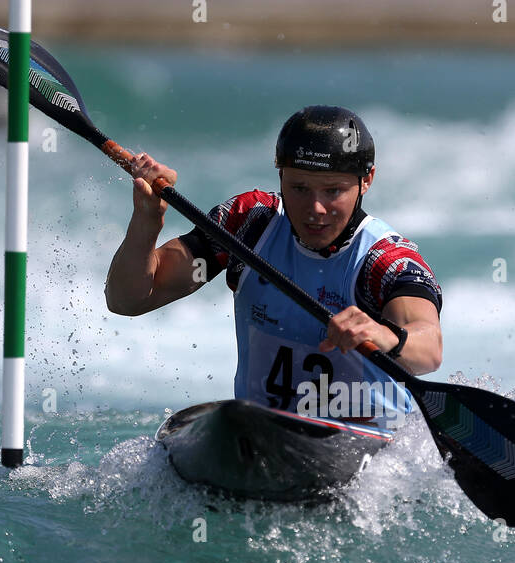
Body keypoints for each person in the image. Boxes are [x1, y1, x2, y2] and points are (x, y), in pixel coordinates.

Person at [105, 105, 442, 428]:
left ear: (366, 180)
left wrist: (382, 334)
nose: (316, 208)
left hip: (370, 451)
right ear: (279, 174)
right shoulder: (249, 224)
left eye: (333, 190)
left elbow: (429, 350)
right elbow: (128, 300)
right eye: (299, 188)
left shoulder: (386, 261)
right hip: (265, 438)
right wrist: (149, 220)